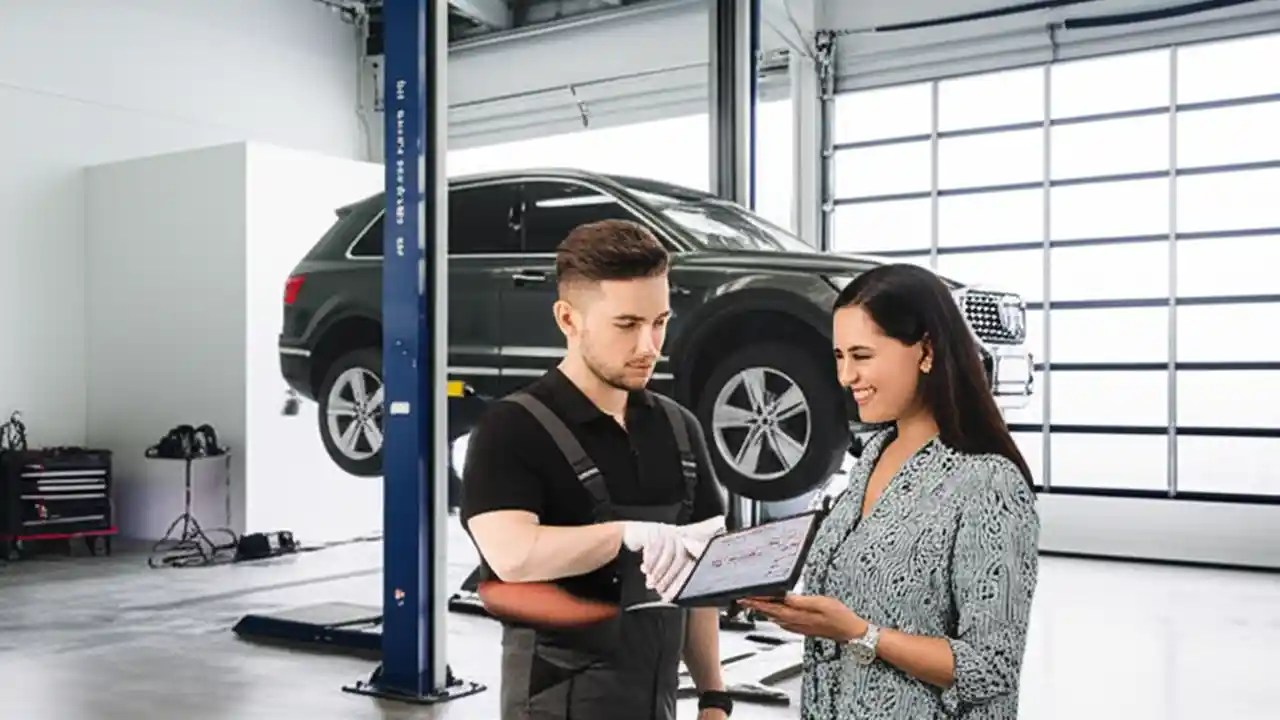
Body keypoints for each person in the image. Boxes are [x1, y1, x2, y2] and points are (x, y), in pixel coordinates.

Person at [740, 263, 1040, 719]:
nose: (845, 376)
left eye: (862, 356)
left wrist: (861, 634)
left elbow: (992, 667)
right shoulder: (873, 455)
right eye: (839, 357)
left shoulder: (988, 483)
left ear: (925, 351)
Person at [461, 219, 734, 720]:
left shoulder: (681, 430)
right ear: (569, 319)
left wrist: (714, 697)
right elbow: (513, 556)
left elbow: (699, 579)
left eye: (660, 322)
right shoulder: (510, 430)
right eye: (627, 325)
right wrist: (625, 534)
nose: (650, 345)